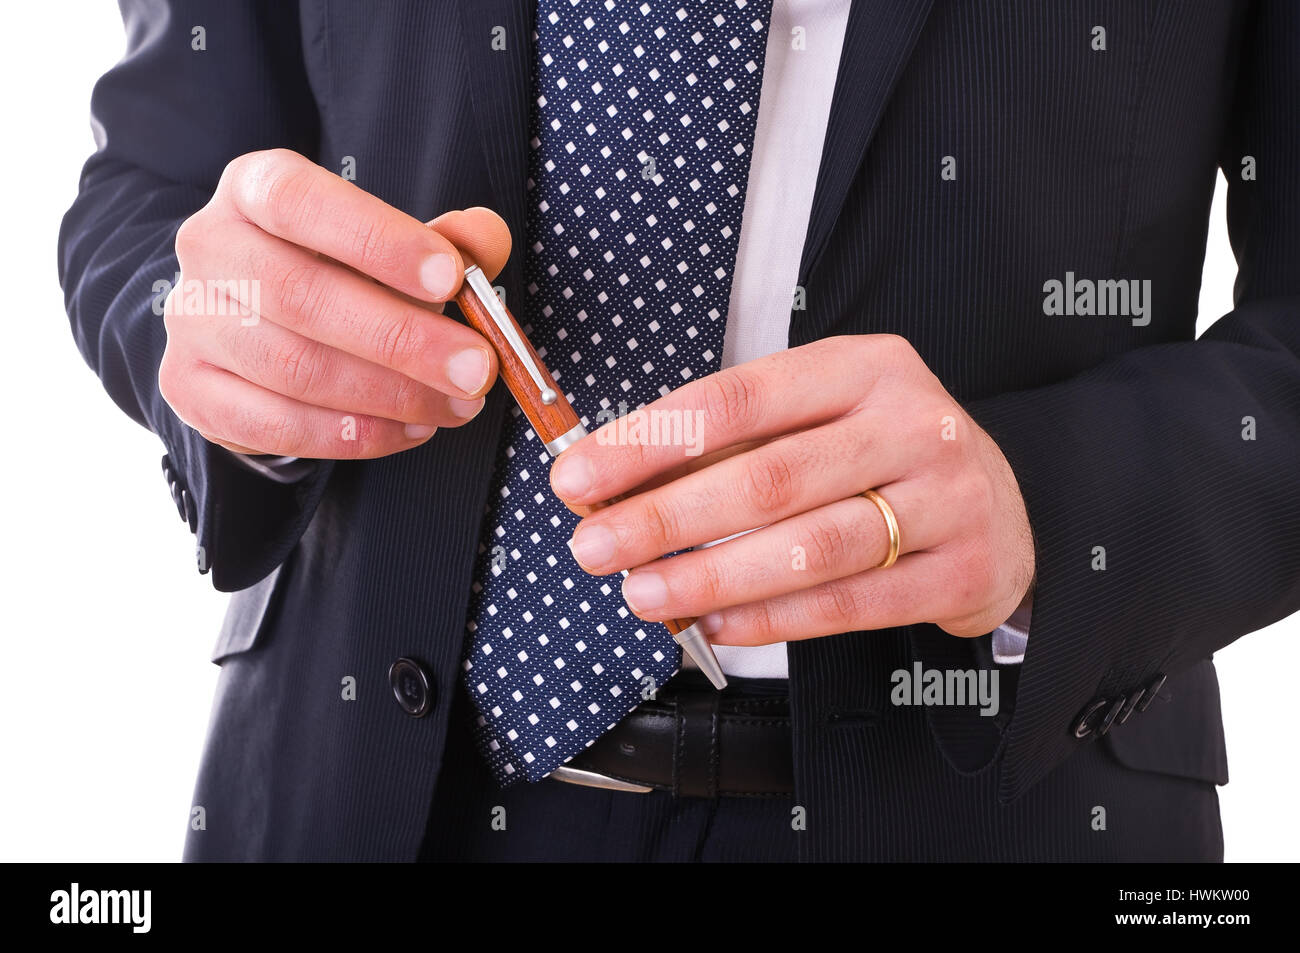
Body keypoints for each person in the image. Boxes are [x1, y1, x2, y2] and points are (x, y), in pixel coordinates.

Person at [59, 0, 1299, 862]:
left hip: (998, 800)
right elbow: (152, 190)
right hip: (360, 792)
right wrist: (223, 328)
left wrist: (1047, 510)